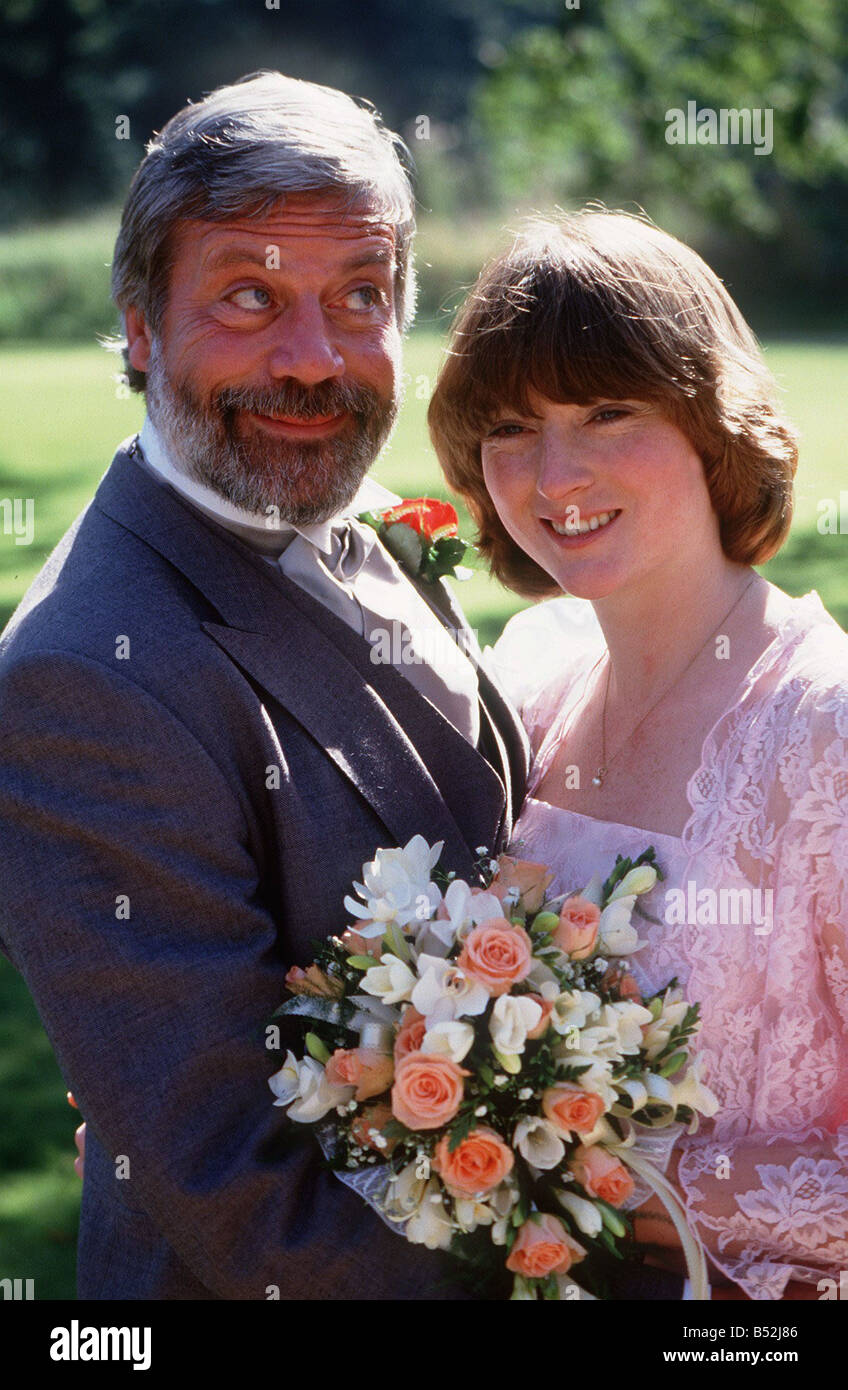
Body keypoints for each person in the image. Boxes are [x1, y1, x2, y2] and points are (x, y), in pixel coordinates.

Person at [0, 72, 528, 1301]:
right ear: (138, 326)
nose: (313, 360)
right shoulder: (87, 680)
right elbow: (241, 1194)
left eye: (360, 296)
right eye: (248, 296)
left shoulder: (372, 522)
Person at [427, 209, 848, 1301]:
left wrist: (600, 1171)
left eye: (606, 410)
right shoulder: (530, 671)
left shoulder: (822, 727)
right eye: (511, 426)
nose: (554, 471)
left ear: (713, 423)